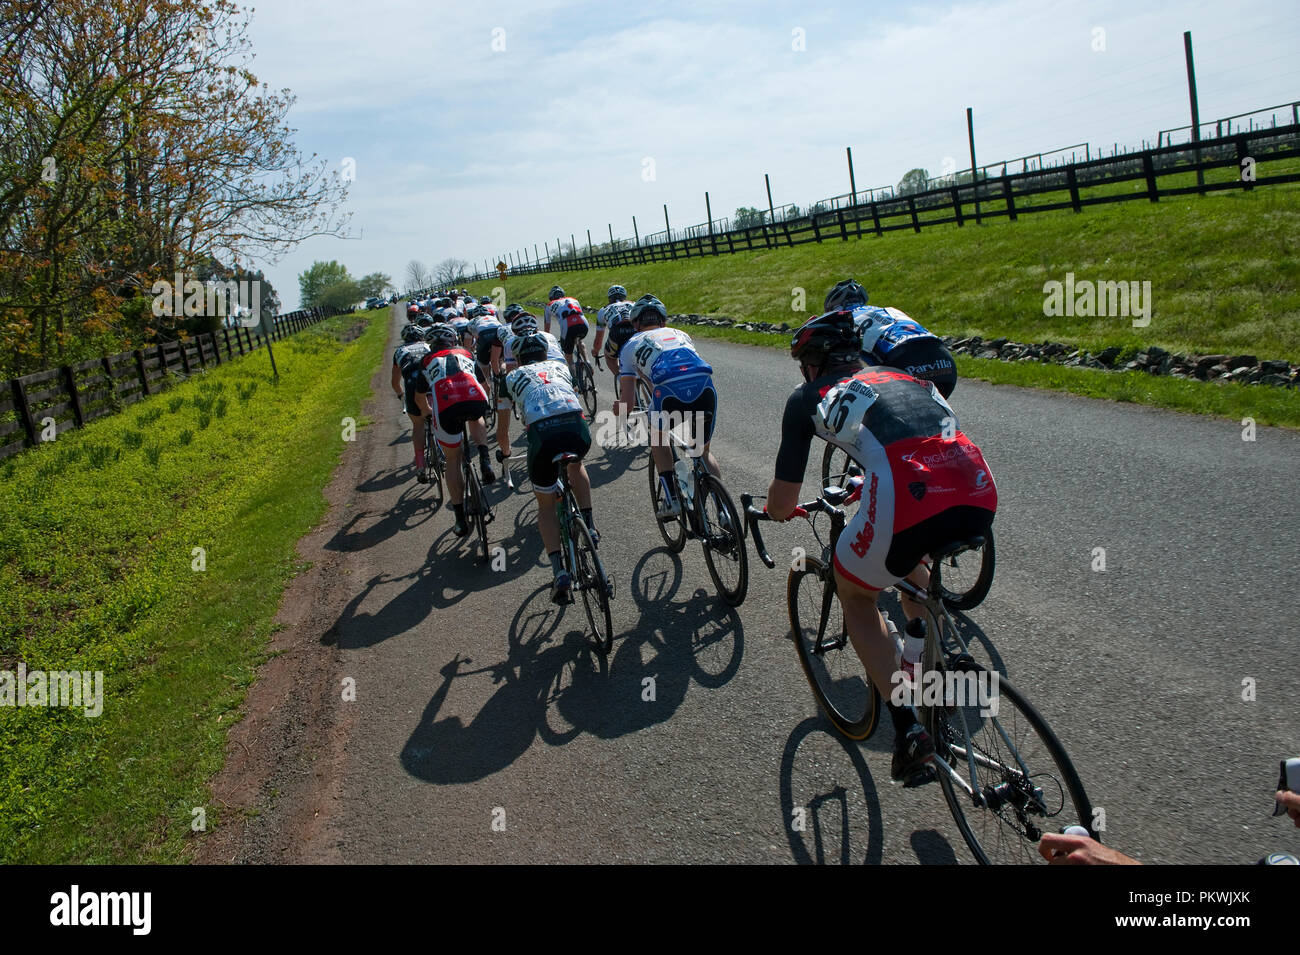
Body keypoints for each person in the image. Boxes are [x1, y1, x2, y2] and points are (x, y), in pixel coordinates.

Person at [766, 310, 997, 783]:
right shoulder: (901, 376)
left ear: (812, 362)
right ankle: (936, 656)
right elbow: (915, 441)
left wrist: (776, 512)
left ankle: (908, 729)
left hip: (907, 495)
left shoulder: (808, 396)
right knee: (912, 565)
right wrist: (865, 478)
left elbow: (782, 499)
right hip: (976, 487)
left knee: (856, 592)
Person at [504, 331, 597, 605]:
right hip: (576, 430)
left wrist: (503, 453)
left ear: (519, 359)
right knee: (576, 465)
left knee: (545, 506)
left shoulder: (511, 377)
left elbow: (503, 421)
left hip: (543, 437)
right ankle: (590, 526)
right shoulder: (560, 365)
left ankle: (559, 572)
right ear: (545, 354)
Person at [616, 295, 719, 517]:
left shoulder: (629, 346)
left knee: (657, 436)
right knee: (703, 451)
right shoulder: (680, 334)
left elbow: (629, 402)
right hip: (705, 388)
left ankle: (671, 499)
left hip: (669, 395)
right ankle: (723, 510)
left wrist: (620, 410)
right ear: (663, 321)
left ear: (635, 324)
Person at [419, 323, 496, 536]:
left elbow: (420, 397)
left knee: (453, 460)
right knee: (477, 415)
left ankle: (460, 519)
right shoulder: (466, 353)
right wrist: (485, 407)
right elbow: (486, 387)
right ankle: (484, 458)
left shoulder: (426, 361)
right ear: (453, 341)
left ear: (431, 345)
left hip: (446, 408)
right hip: (474, 398)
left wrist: (427, 413)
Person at [823, 279, 958, 399]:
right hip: (944, 360)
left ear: (835, 308)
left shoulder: (844, 320)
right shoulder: (888, 310)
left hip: (904, 359)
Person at [391, 324, 433, 481]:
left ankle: (421, 465)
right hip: (431, 381)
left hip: (411, 386)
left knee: (418, 425)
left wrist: (401, 395)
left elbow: (395, 381)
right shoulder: (428, 346)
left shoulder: (399, 352)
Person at [596, 285, 634, 408]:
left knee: (610, 357)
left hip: (617, 334)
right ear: (625, 297)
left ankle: (622, 380)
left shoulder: (603, 310)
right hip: (635, 331)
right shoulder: (633, 304)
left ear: (609, 299)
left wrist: (595, 351)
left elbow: (598, 339)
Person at [543, 285, 591, 377]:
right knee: (579, 340)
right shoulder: (574, 299)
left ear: (551, 298)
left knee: (568, 355)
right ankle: (587, 362)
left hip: (568, 327)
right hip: (584, 324)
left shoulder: (549, 305)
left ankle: (574, 379)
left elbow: (547, 330)